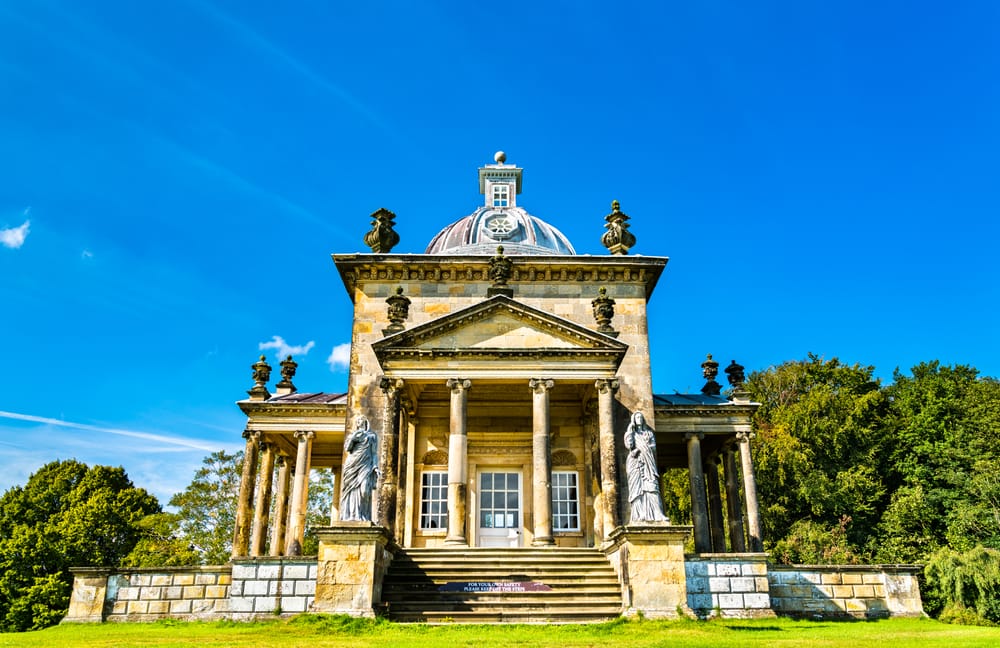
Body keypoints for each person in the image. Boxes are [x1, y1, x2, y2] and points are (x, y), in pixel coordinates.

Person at [624, 411, 668, 523]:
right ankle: (639, 515)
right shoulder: (631, 434)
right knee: (636, 489)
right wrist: (630, 430)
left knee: (653, 487)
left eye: (641, 417)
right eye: (637, 417)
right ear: (634, 420)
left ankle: (657, 514)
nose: (639, 419)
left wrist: (644, 448)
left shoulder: (649, 433)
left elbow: (653, 446)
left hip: (648, 462)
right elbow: (629, 445)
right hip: (635, 463)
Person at [339, 415, 379, 521]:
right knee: (351, 490)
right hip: (352, 464)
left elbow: (374, 453)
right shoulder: (353, 435)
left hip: (366, 465)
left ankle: (364, 514)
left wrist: (375, 466)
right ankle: (352, 515)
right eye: (358, 421)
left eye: (362, 420)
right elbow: (348, 448)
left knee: (365, 490)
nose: (360, 422)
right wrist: (353, 438)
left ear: (366, 422)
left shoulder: (372, 436)